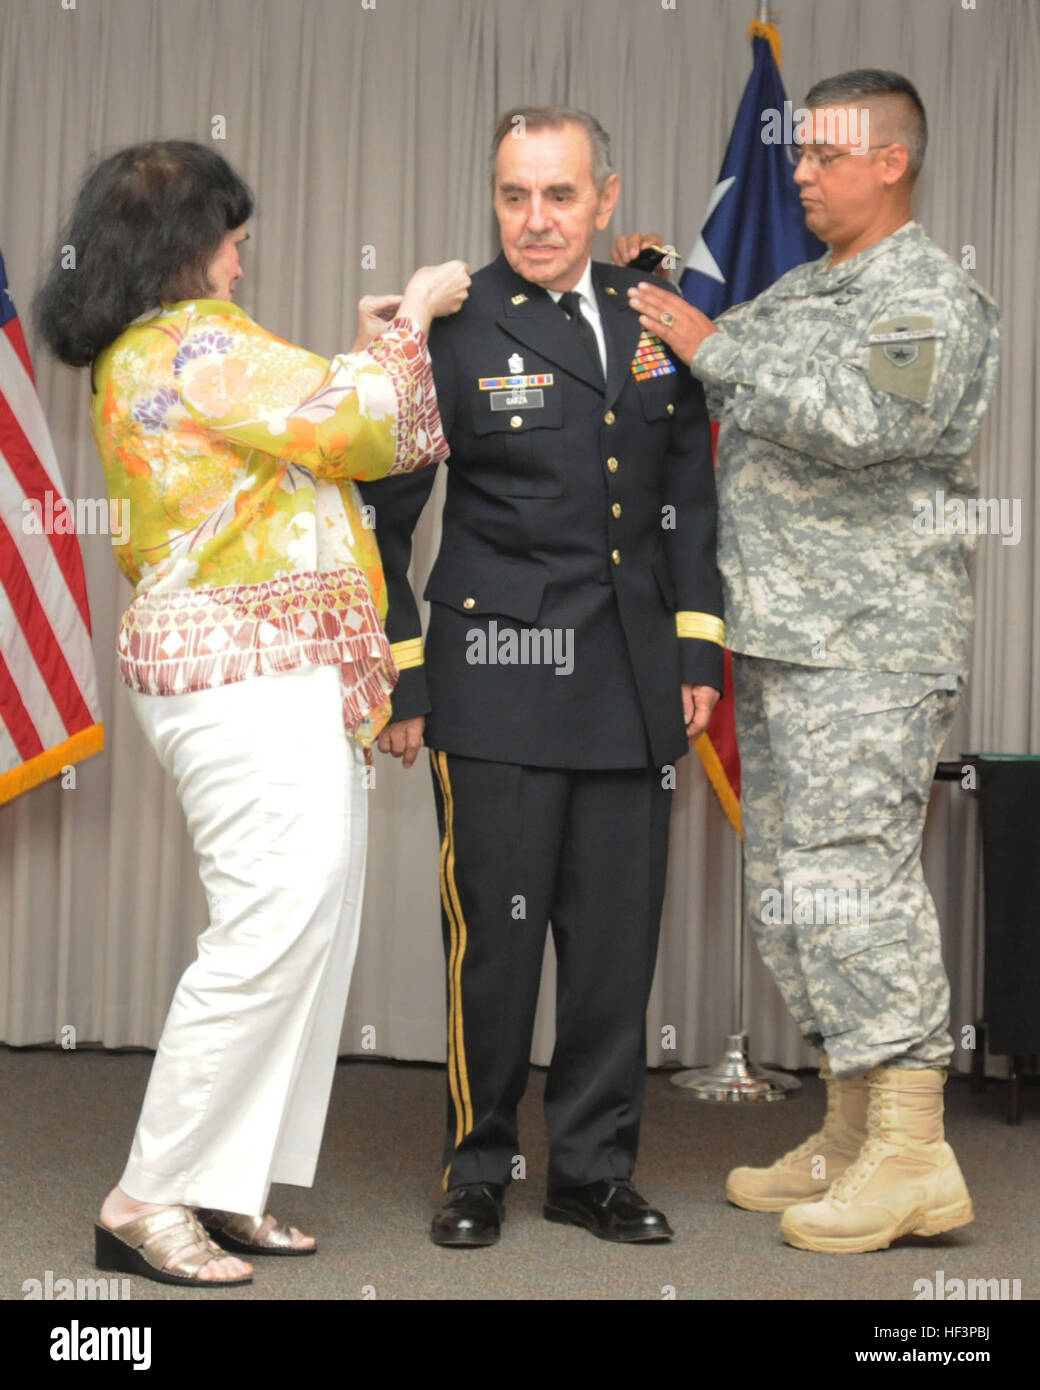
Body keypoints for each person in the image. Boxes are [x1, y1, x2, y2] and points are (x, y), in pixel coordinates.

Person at [34, 139, 469, 1286]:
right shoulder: (196, 345)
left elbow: (305, 414)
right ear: (186, 244)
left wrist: (373, 349)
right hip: (250, 679)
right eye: (231, 239)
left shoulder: (165, 351)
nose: (241, 260)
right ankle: (144, 1195)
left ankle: (224, 1184)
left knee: (302, 931)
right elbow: (369, 423)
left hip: (263, 676)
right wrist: (414, 314)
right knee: (268, 930)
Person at [626, 70, 1001, 1253]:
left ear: (889, 161)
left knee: (851, 880)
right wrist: (653, 294)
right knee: (797, 897)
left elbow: (867, 422)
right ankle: (850, 1128)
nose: (797, 173)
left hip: (870, 645)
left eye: (821, 156)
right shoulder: (807, 285)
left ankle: (912, 1152)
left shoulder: (926, 295)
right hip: (785, 640)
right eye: (792, 157)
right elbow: (716, 342)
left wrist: (711, 345)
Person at [359, 106, 724, 1246]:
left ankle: (593, 1168)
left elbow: (686, 498)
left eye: (558, 195)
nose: (534, 219)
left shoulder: (653, 316)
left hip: (627, 680)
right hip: (497, 677)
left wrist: (695, 648)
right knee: (498, 943)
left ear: (602, 200)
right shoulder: (453, 326)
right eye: (514, 194)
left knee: (614, 945)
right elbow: (384, 515)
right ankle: (477, 1164)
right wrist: (405, 673)